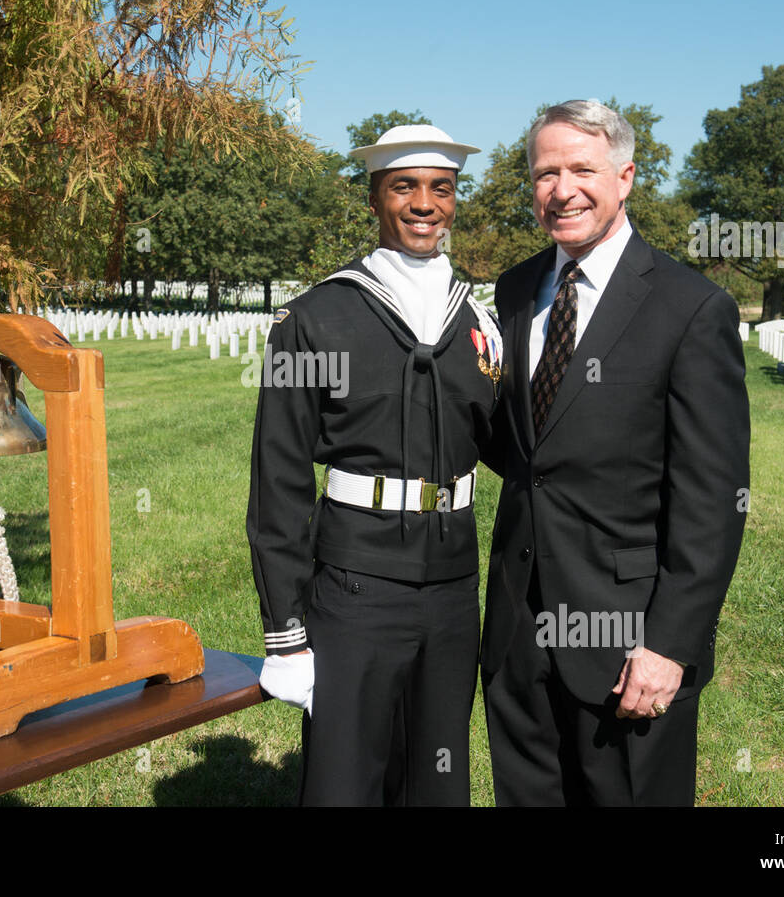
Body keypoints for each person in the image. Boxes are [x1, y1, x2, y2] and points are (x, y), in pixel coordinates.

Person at [480, 100, 750, 806]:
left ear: (625, 177)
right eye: (544, 172)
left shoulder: (691, 309)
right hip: (517, 627)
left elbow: (711, 502)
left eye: (581, 169)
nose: (561, 189)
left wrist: (670, 644)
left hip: (626, 640)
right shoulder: (515, 290)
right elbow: (521, 450)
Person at [246, 124, 502, 805]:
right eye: (404, 187)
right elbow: (279, 479)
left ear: (454, 200)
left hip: (452, 584)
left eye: (440, 188)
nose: (425, 203)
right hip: (356, 586)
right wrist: (285, 634)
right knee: (344, 782)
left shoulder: (480, 322)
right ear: (374, 199)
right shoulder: (315, 317)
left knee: (438, 780)